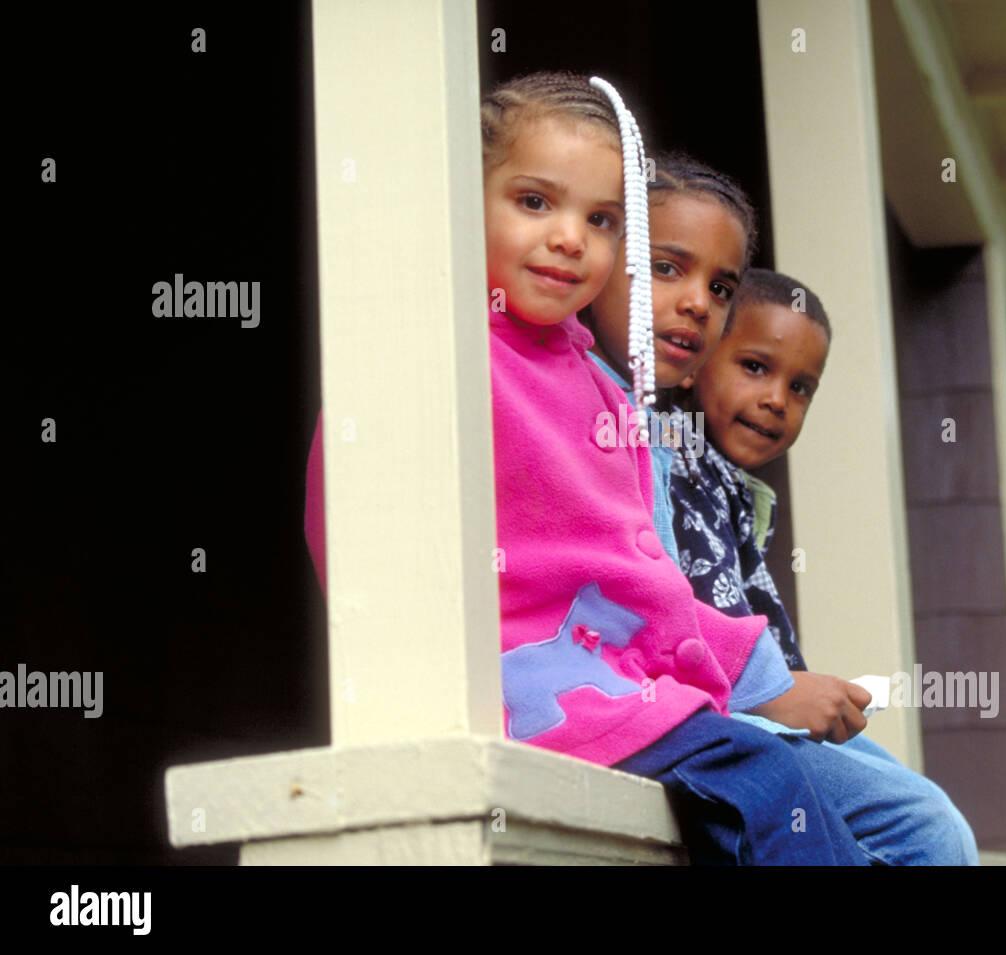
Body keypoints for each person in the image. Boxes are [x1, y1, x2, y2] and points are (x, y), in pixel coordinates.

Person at [309, 71, 870, 864]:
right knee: (770, 783)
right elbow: (354, 521)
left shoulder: (599, 387)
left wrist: (746, 670)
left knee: (801, 800)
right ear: (462, 200)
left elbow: (641, 583)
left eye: (601, 219)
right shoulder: (441, 346)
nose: (572, 237)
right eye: (535, 202)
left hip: (632, 690)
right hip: (535, 696)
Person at [669, 267, 981, 864]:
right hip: (724, 715)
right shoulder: (662, 455)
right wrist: (776, 690)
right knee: (927, 828)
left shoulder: (735, 491)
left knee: (935, 812)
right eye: (755, 367)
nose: (776, 401)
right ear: (699, 352)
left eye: (802, 387)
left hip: (772, 708)